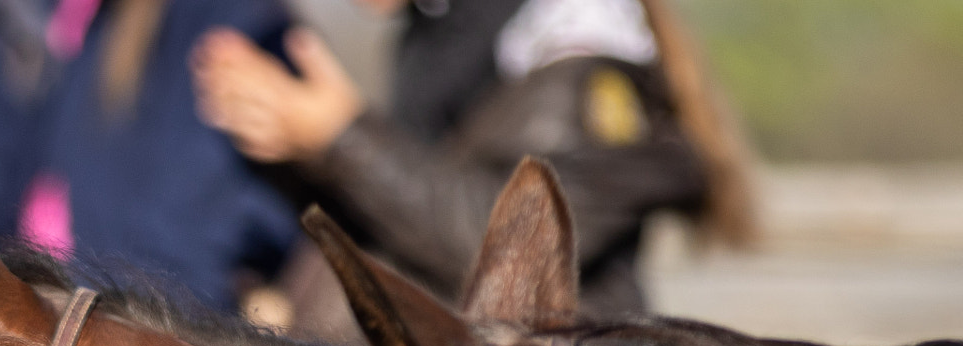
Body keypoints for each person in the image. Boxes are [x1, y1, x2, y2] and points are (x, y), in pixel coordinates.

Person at [188, 0, 755, 324]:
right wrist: (290, 144)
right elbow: (411, 221)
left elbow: (513, 241)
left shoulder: (574, 48)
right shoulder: (444, 35)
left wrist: (339, 138)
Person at [0, 0, 304, 316]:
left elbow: (189, 247)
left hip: (127, 341)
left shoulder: (223, 20)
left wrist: (57, 321)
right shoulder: (16, 20)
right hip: (14, 321)